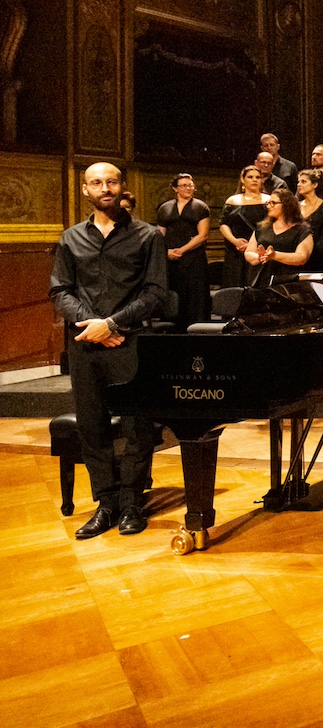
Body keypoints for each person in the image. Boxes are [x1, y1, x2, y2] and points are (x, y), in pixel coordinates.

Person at [50, 162, 168, 538]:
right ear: (85, 190)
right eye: (97, 182)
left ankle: (132, 503)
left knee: (138, 425)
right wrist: (94, 326)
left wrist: (112, 325)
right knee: (91, 425)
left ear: (122, 187)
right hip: (86, 343)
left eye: (112, 181)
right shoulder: (70, 239)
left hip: (130, 341)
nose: (105, 187)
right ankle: (106, 503)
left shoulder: (148, 236)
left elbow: (155, 292)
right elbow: (59, 290)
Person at [154, 173, 210, 327]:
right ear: (175, 189)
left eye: (191, 185)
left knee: (196, 298)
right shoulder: (165, 208)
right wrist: (167, 252)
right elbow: (159, 235)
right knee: (175, 297)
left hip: (194, 259)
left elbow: (203, 235)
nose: (188, 188)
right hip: (171, 260)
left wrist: (181, 250)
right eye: (184, 185)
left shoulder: (200, 207)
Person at [244, 188, 313, 288]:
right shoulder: (262, 228)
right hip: (261, 281)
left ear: (286, 205)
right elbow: (249, 252)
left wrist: (275, 255)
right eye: (268, 203)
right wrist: (260, 257)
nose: (269, 206)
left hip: (287, 282)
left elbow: (301, 257)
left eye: (273, 203)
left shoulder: (302, 231)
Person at [219, 165, 270, 288]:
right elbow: (224, 224)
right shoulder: (233, 201)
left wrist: (252, 245)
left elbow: (272, 224)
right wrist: (235, 242)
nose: (254, 180)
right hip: (236, 250)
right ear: (243, 179)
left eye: (258, 177)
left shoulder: (269, 200)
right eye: (250, 177)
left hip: (260, 248)